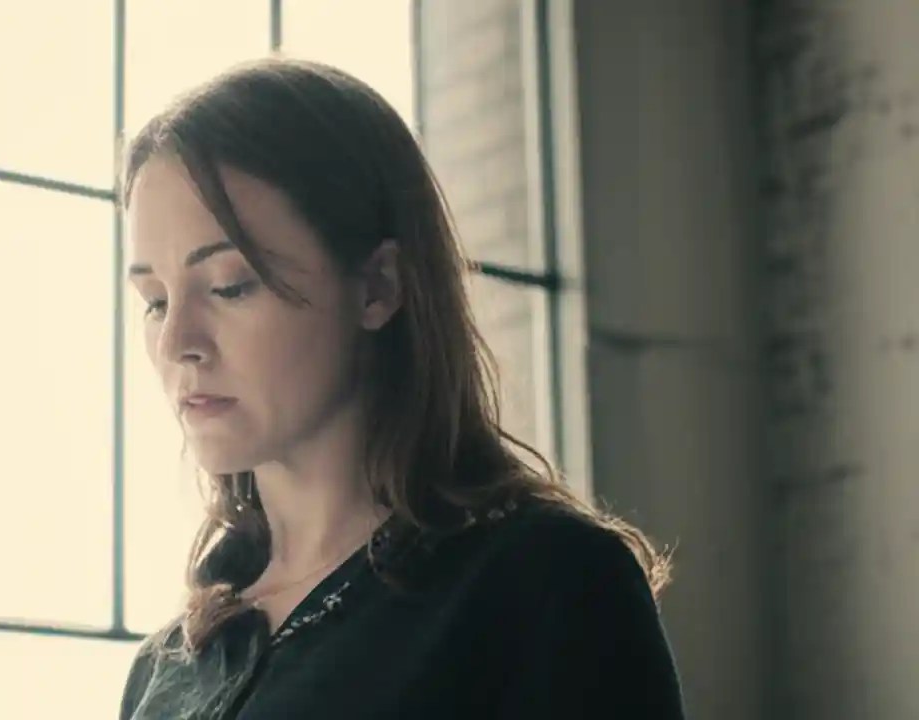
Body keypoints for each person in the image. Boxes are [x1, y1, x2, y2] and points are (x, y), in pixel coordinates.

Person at [117, 56, 685, 719]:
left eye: (229, 286)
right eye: (154, 300)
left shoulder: (545, 579)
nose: (177, 340)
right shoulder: (166, 668)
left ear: (379, 286)